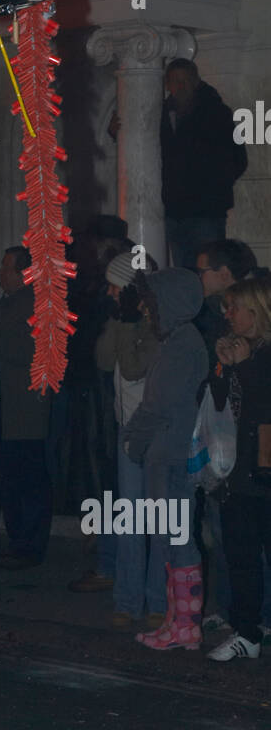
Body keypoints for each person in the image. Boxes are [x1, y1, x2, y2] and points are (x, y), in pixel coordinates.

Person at [125, 269, 207, 650]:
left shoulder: (180, 345)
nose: (146, 308)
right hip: (169, 453)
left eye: (152, 301)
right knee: (174, 540)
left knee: (177, 540)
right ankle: (180, 622)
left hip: (171, 456)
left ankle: (185, 625)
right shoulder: (179, 340)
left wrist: (134, 440)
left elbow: (156, 405)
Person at [92, 253, 160, 624]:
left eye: (115, 286)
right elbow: (104, 362)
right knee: (130, 517)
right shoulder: (121, 319)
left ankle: (158, 602)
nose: (109, 292)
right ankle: (128, 601)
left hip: (152, 430)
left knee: (159, 519)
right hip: (126, 427)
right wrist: (118, 323)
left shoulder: (154, 324)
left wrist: (126, 326)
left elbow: (134, 369)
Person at [206, 278, 271, 661]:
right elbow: (216, 404)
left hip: (262, 471)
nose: (227, 315)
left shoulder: (264, 355)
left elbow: (263, 410)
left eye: (235, 307)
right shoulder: (239, 350)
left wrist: (243, 367)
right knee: (241, 555)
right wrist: (222, 367)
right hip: (235, 470)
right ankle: (246, 631)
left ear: (257, 311)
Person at [0, 245, 51, 569]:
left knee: (26, 479)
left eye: (7, 268)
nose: (1, 273)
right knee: (13, 478)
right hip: (9, 410)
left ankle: (28, 545)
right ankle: (20, 541)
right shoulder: (11, 304)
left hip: (23, 412)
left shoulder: (31, 306)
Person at [160, 59, 247, 267]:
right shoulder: (161, 114)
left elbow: (238, 159)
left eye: (185, 81)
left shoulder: (217, 113)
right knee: (184, 274)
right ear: (167, 85)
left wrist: (211, 190)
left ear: (196, 82)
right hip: (174, 211)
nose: (180, 87)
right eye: (175, 81)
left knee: (211, 271)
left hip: (206, 212)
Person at [194, 238, 258, 367]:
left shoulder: (259, 304)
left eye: (201, 272)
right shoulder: (212, 302)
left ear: (224, 274)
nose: (197, 278)